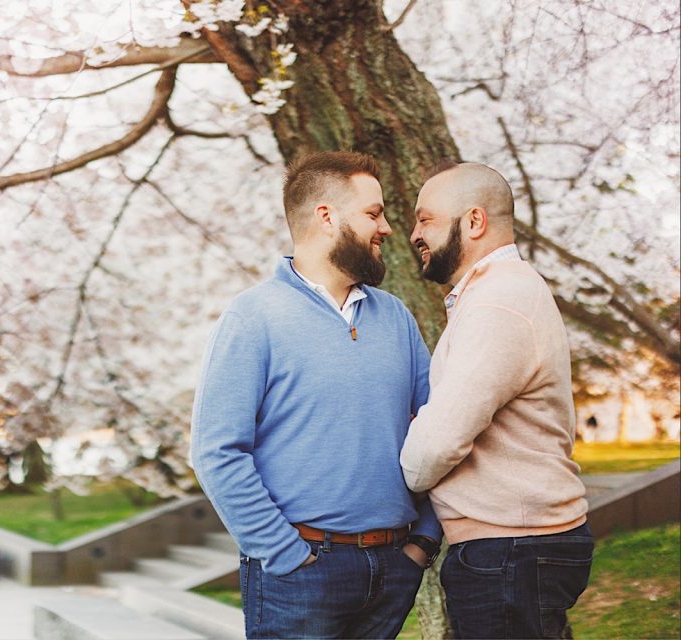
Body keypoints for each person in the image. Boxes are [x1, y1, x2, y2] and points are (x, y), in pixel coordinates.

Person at [191, 151, 442, 639]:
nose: (387, 228)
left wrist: (424, 542)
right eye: (373, 213)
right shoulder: (253, 318)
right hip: (300, 573)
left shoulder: (395, 317)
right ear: (327, 216)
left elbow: (438, 431)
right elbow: (217, 451)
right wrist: (284, 553)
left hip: (394, 566)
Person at [400, 161, 593, 639]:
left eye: (425, 219)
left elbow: (437, 443)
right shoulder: (499, 292)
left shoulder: (497, 301)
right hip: (515, 549)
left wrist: (407, 457)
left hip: (511, 550)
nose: (414, 234)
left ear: (474, 221)